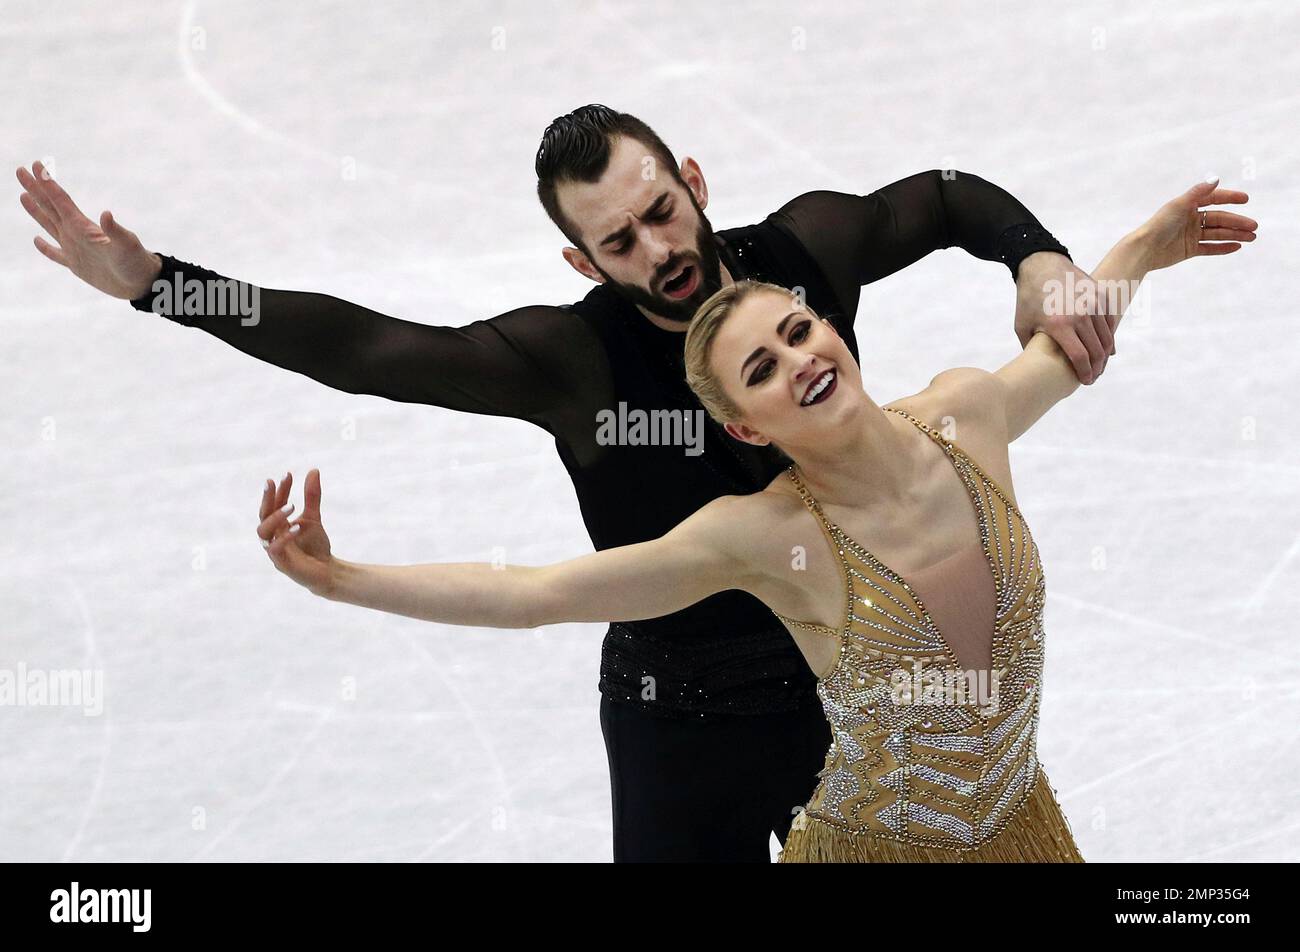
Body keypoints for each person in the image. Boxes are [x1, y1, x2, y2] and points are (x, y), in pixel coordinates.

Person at [15, 104, 1253, 861]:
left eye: (662, 211)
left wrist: (1042, 256)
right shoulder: (569, 360)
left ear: (694, 182)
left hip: (858, 692)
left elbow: (939, 199)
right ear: (579, 255)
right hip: (684, 716)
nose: (658, 251)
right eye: (618, 242)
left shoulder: (796, 265)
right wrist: (163, 284)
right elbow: (365, 350)